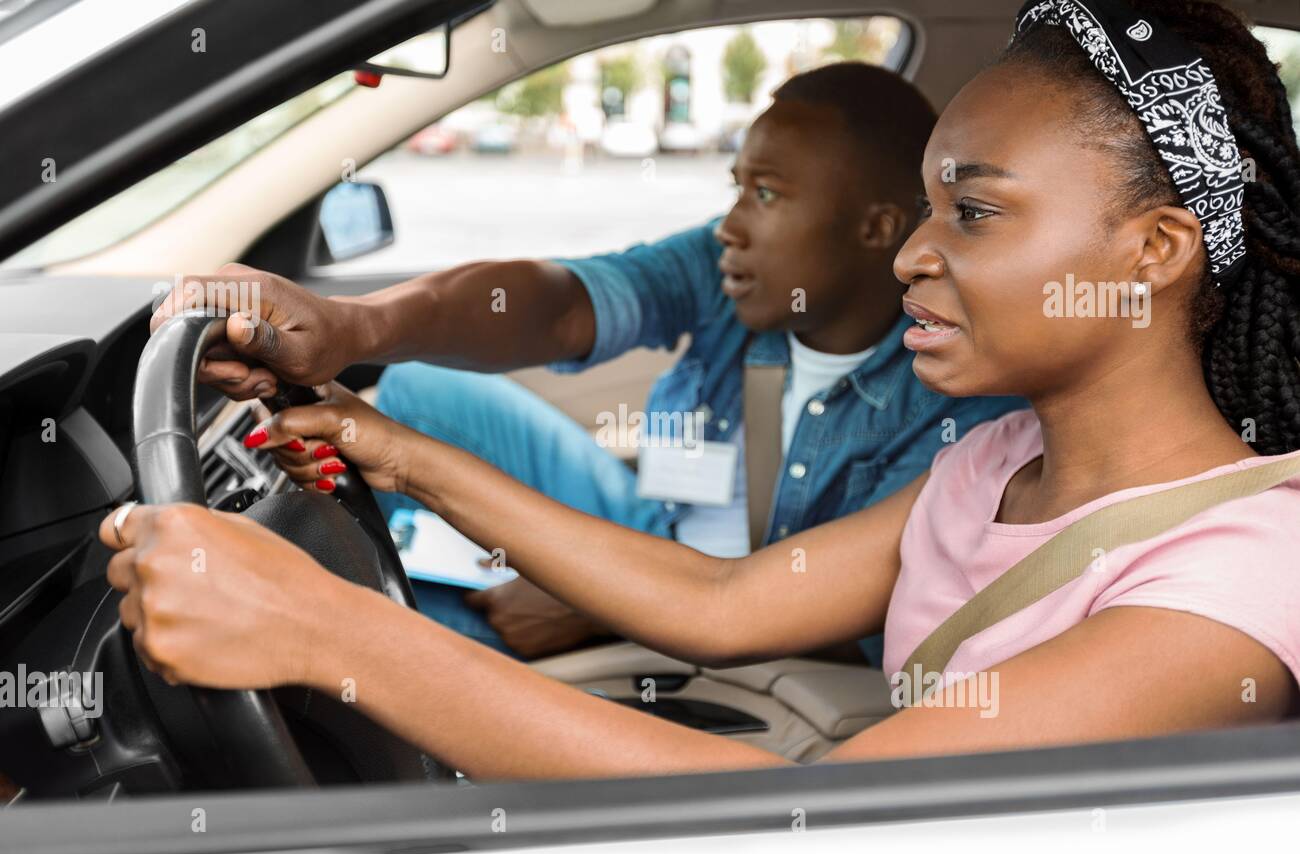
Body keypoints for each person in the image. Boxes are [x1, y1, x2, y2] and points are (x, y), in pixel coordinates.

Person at [112, 0, 1300, 780]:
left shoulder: (1239, 569)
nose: (909, 258)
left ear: (1152, 252)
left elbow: (821, 819)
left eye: (973, 213)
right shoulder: (993, 464)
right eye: (928, 205)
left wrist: (328, 627)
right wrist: (393, 447)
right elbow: (721, 601)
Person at [155, 62, 1022, 663]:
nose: (730, 225)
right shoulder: (733, 275)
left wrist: (597, 616)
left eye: (767, 195)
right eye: (735, 186)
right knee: (420, 386)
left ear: (876, 228)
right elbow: (560, 304)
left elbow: (820, 614)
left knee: (418, 633)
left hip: (735, 607)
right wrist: (354, 327)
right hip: (658, 530)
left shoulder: (951, 402)